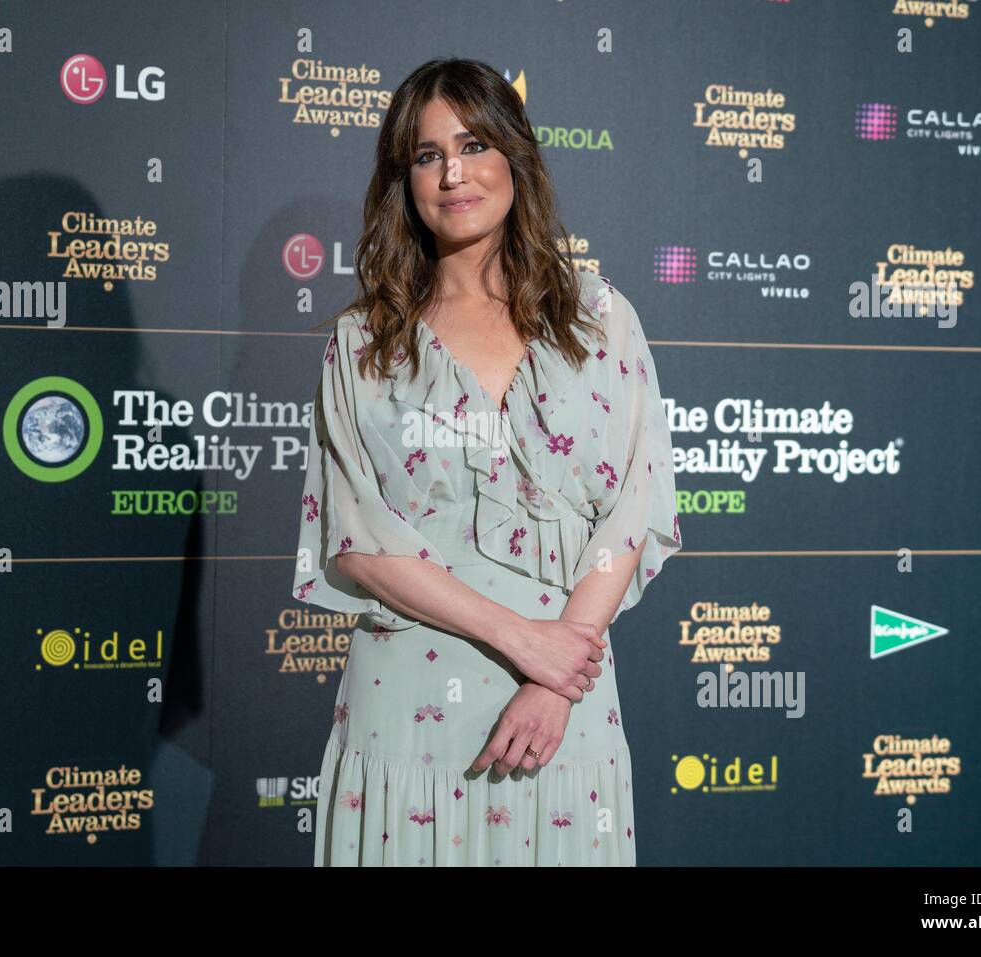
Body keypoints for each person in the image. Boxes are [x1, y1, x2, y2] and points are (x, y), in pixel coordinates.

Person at [291, 57, 682, 866]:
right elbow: (358, 539)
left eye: (472, 144)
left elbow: (634, 509)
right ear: (404, 179)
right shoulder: (363, 341)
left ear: (515, 156)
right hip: (407, 707)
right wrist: (522, 640)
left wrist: (552, 670)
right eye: (427, 154)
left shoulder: (601, 316)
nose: (453, 173)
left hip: (562, 705)